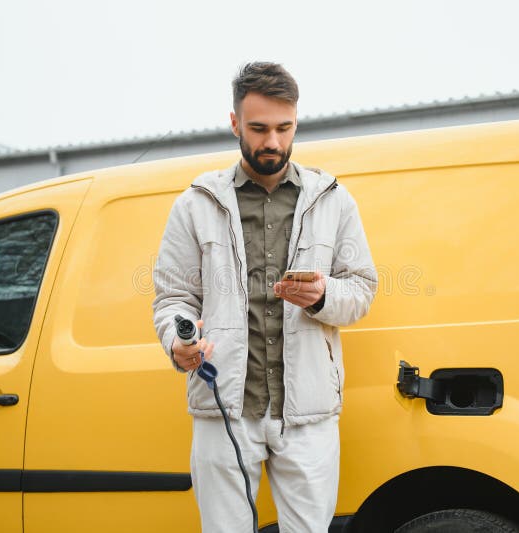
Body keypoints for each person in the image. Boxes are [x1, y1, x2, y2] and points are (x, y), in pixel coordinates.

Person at [152, 62, 377, 533]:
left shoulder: (334, 199)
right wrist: (179, 342)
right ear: (235, 123)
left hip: (309, 415)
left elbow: (360, 289)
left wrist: (321, 296)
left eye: (284, 127)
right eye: (258, 128)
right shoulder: (194, 204)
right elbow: (174, 297)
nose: (272, 142)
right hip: (224, 411)